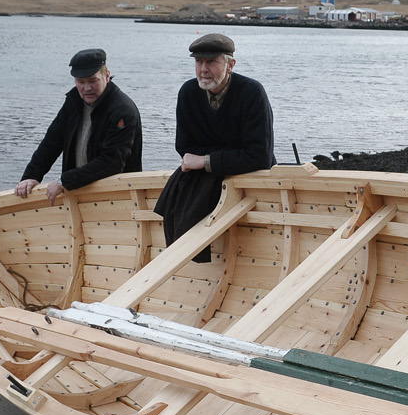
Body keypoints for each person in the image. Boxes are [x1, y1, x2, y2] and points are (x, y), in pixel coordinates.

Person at [153, 32, 275, 258]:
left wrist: (206, 161)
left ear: (230, 65)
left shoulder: (252, 93)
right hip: (211, 181)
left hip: (253, 186)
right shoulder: (188, 93)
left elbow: (260, 156)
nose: (203, 69)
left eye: (211, 62)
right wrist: (228, 157)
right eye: (198, 62)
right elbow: (185, 147)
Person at [15, 48, 142, 204]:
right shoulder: (74, 101)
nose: (86, 88)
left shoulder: (122, 111)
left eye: (93, 81)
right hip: (79, 195)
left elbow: (112, 162)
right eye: (81, 82)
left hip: (117, 198)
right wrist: (31, 176)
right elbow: (51, 142)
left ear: (107, 75)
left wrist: (64, 181)